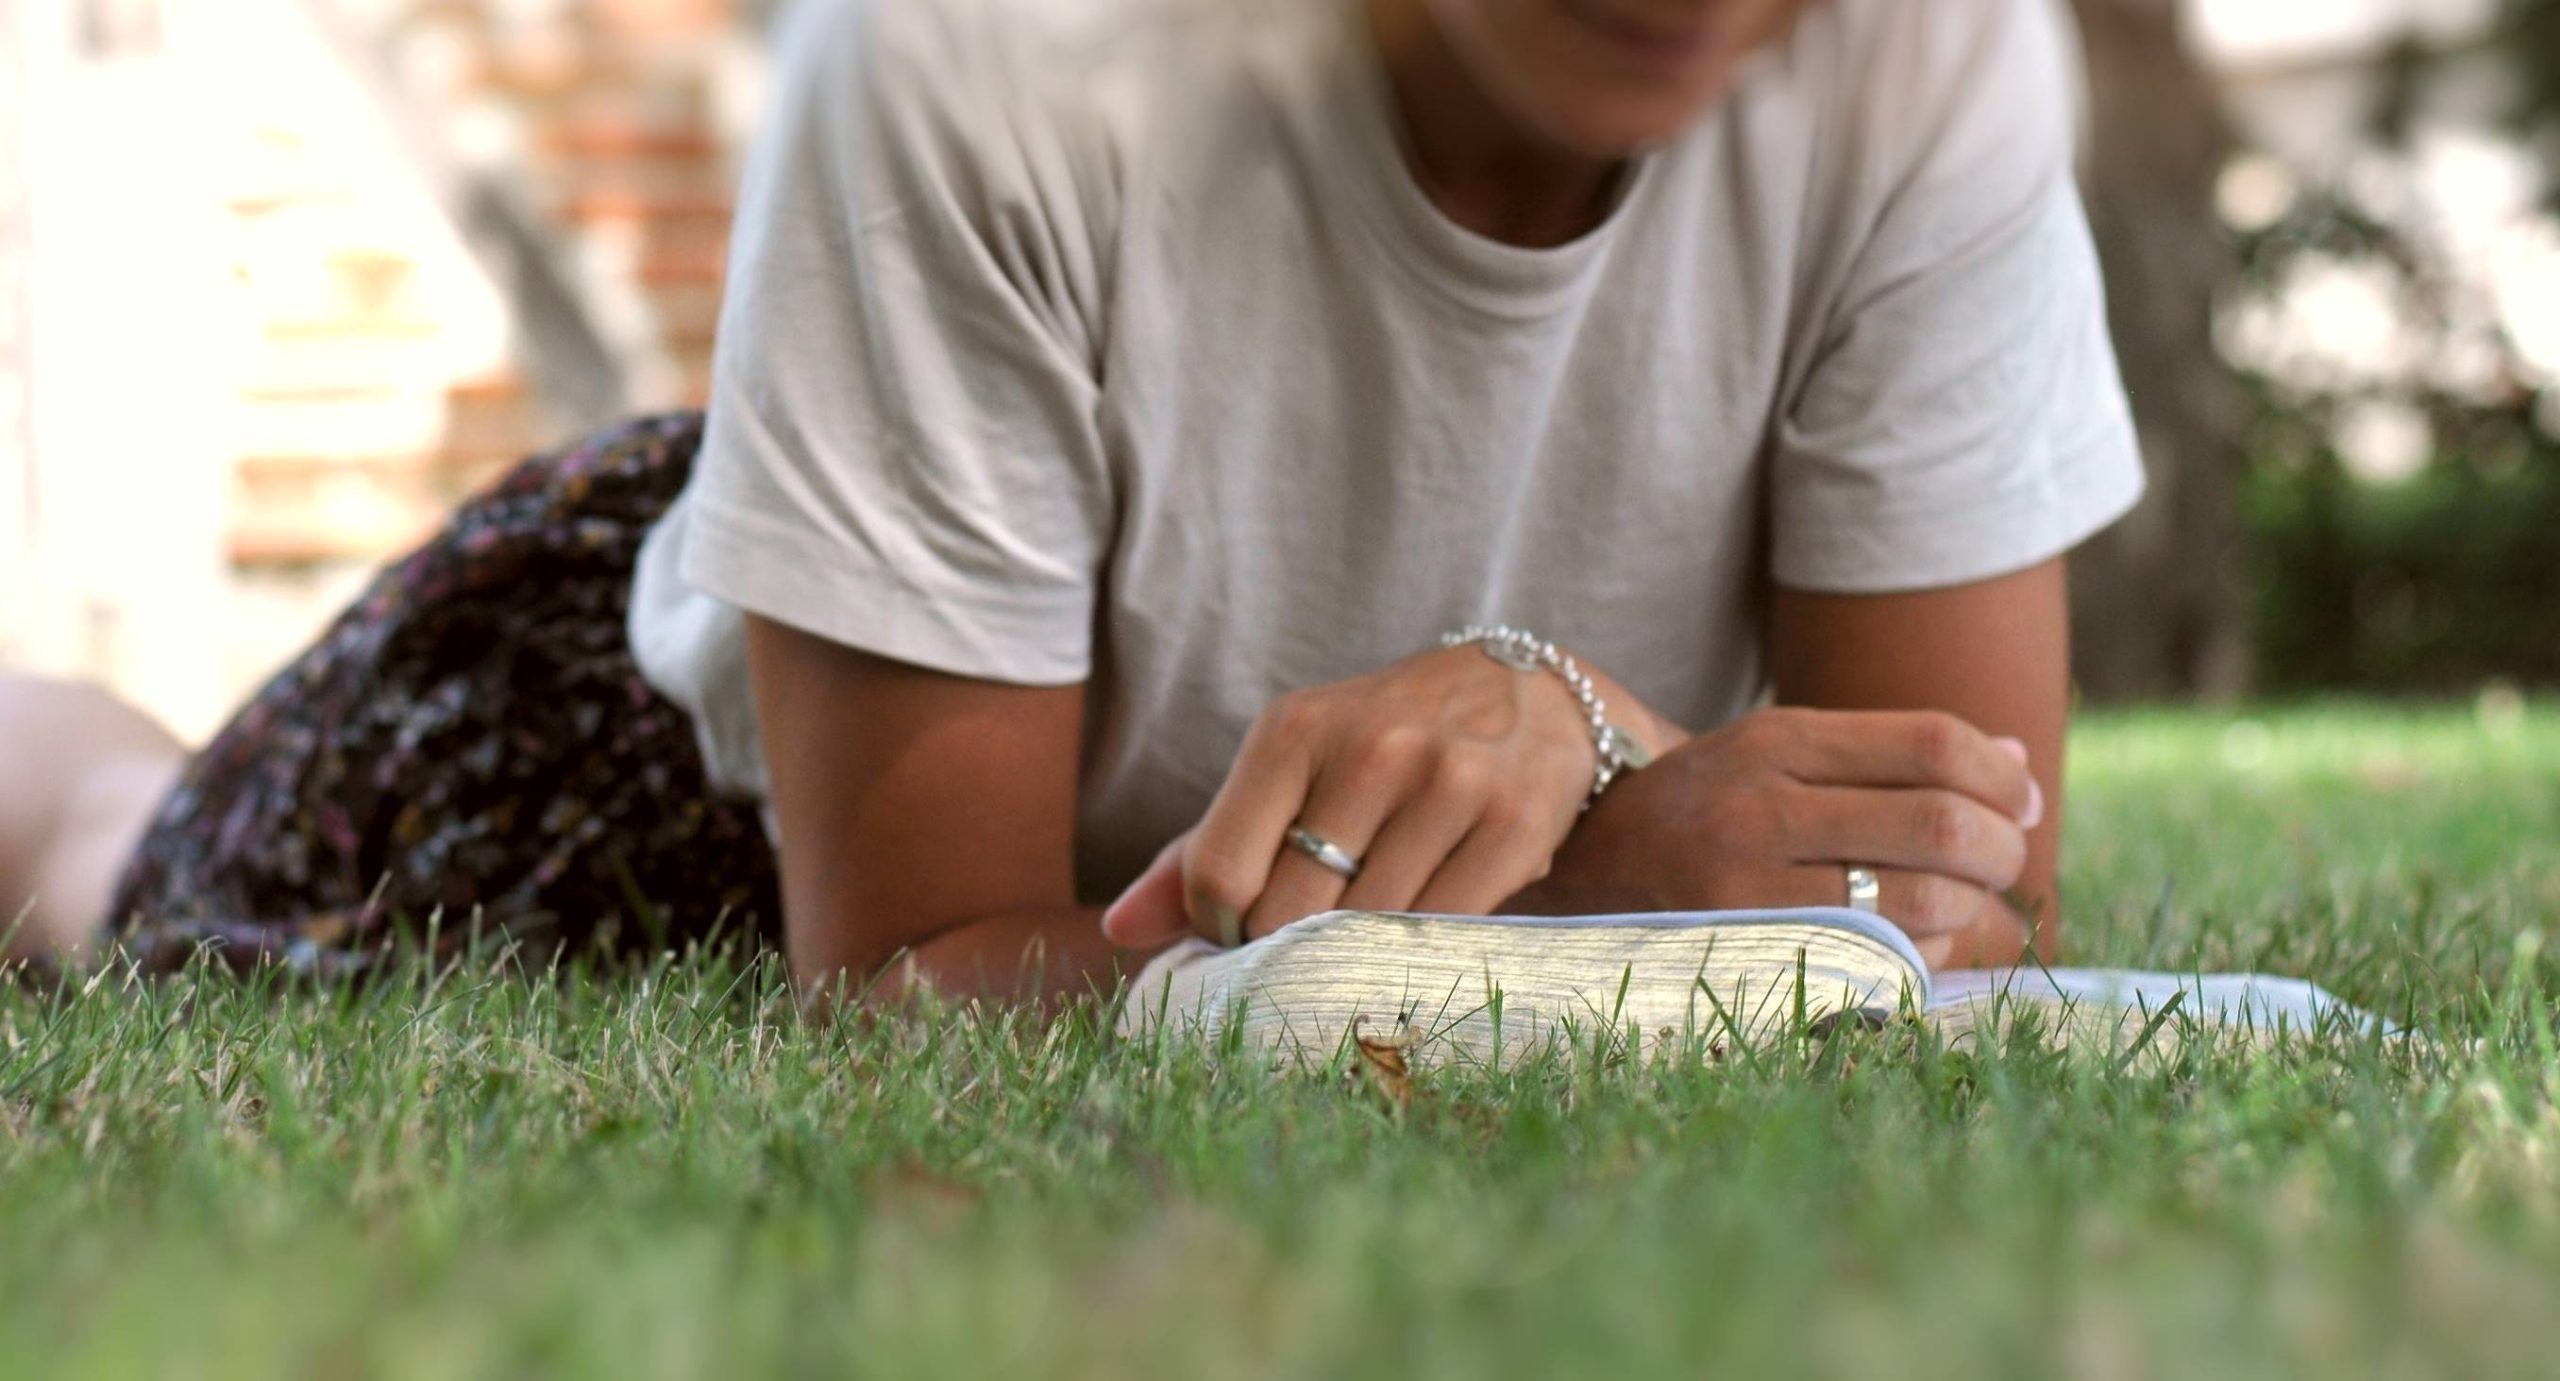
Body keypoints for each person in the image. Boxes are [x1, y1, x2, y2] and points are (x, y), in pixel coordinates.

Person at [1, 0, 2143, 1005]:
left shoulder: (1918, 57)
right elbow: (903, 972)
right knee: (107, 865)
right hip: (686, 787)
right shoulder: (979, 51)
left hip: (1265, 844)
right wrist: (1582, 897)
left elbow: (1960, 892)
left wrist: (1590, 764)